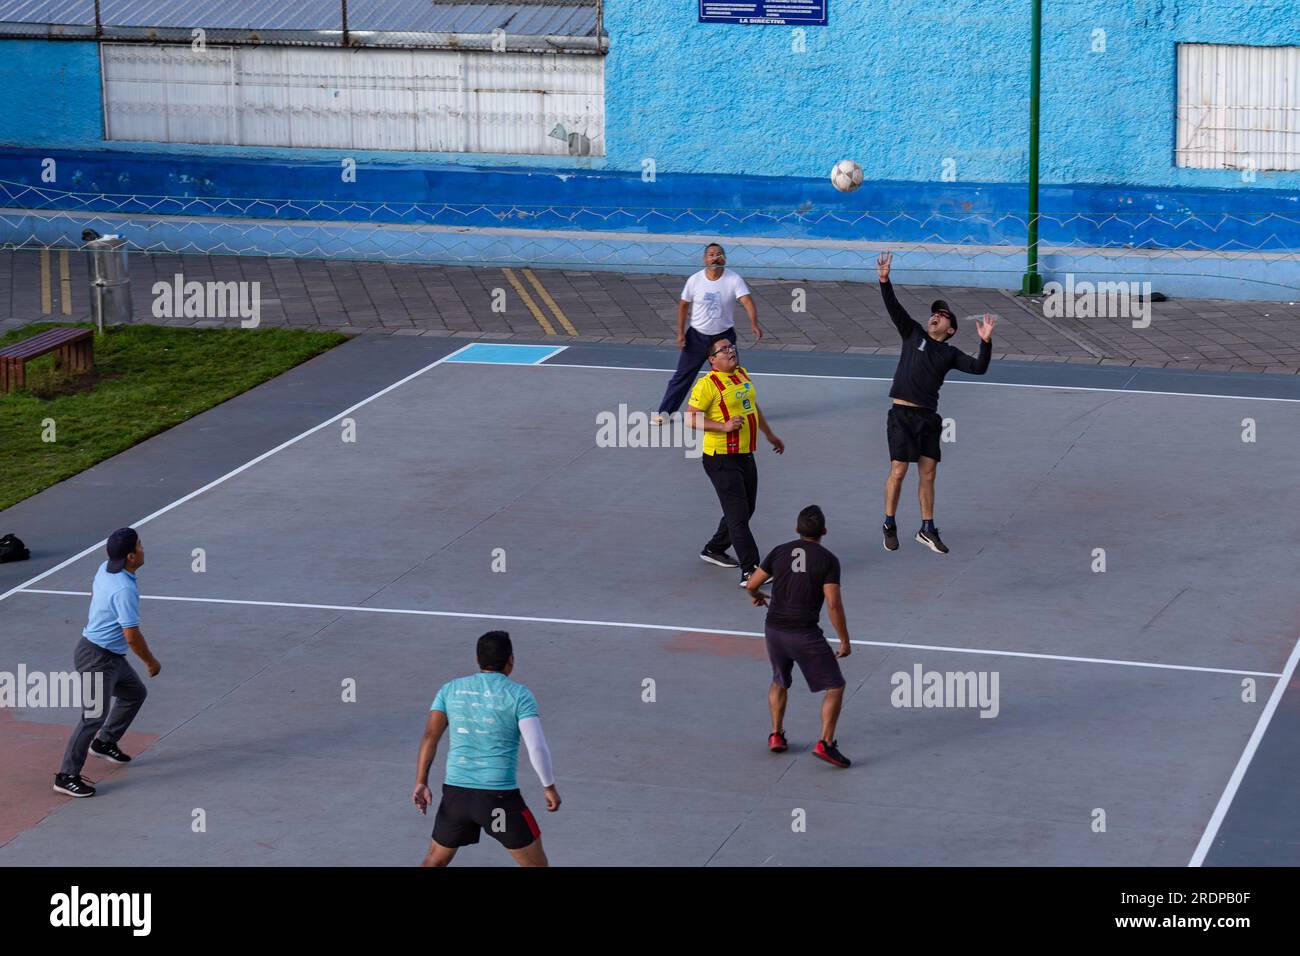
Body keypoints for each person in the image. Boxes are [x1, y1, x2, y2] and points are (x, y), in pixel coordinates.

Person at [876, 251, 997, 554]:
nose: (936, 316)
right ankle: (889, 523)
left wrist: (985, 342)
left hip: (928, 418)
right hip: (901, 414)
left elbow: (979, 368)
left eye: (942, 316)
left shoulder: (950, 354)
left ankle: (927, 528)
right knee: (899, 471)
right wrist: (884, 280)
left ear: (950, 329)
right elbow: (895, 308)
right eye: (935, 313)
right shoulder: (912, 332)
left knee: (928, 473)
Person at [413, 631, 560, 867]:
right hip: (498, 799)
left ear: (477, 659)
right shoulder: (520, 695)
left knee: (434, 861)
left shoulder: (450, 690)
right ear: (510, 660)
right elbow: (537, 747)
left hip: (456, 797)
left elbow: (431, 736)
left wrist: (421, 781)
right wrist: (549, 786)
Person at [54, 527, 160, 798]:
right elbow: (132, 636)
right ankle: (66, 776)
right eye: (140, 545)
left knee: (134, 694)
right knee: (92, 717)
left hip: (108, 655)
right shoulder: (124, 589)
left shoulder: (107, 569)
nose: (143, 548)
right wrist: (150, 662)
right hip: (96, 658)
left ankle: (104, 742)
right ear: (130, 556)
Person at [745, 506, 852, 768]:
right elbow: (833, 603)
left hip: (774, 630)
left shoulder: (780, 551)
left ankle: (776, 735)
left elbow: (752, 584)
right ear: (824, 532)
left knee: (779, 680)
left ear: (797, 530)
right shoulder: (828, 560)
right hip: (804, 633)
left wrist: (756, 597)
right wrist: (844, 640)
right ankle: (825, 743)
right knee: (835, 686)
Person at [686, 338, 784, 586]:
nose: (731, 351)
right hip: (720, 458)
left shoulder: (741, 373)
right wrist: (724, 426)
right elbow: (691, 420)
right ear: (712, 359)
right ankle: (750, 570)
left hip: (745, 454)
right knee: (738, 515)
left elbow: (752, 407)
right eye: (724, 350)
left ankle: (714, 548)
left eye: (731, 347)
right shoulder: (707, 385)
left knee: (746, 509)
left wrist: (769, 434)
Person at [652, 243, 763, 425]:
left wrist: (754, 324)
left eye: (719, 254)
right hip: (696, 337)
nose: (715, 257)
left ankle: (744, 411)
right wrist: (680, 333)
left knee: (733, 376)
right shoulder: (695, 280)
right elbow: (683, 306)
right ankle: (665, 412)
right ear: (705, 259)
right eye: (711, 254)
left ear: (724, 258)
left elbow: (747, 301)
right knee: (682, 376)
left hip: (723, 338)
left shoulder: (734, 279)